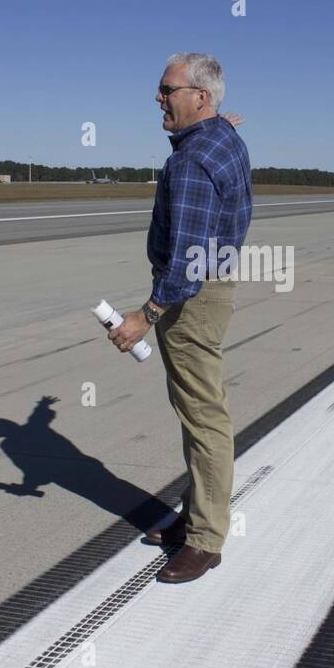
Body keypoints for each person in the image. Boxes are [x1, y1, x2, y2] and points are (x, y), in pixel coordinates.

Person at [108, 53, 252, 584]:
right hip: (211, 286)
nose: (158, 98)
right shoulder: (220, 138)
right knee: (198, 409)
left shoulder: (193, 160)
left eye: (167, 90)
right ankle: (195, 517)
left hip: (192, 296)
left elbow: (189, 256)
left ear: (201, 98)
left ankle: (205, 540)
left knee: (203, 415)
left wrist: (145, 315)